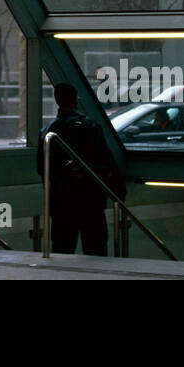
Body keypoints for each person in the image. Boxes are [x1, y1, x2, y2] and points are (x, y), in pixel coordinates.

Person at [37, 83, 125, 257]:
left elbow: (42, 167)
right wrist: (118, 191)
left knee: (62, 249)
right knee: (95, 248)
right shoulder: (89, 126)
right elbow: (105, 160)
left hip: (61, 200)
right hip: (89, 199)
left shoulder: (47, 131)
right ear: (75, 99)